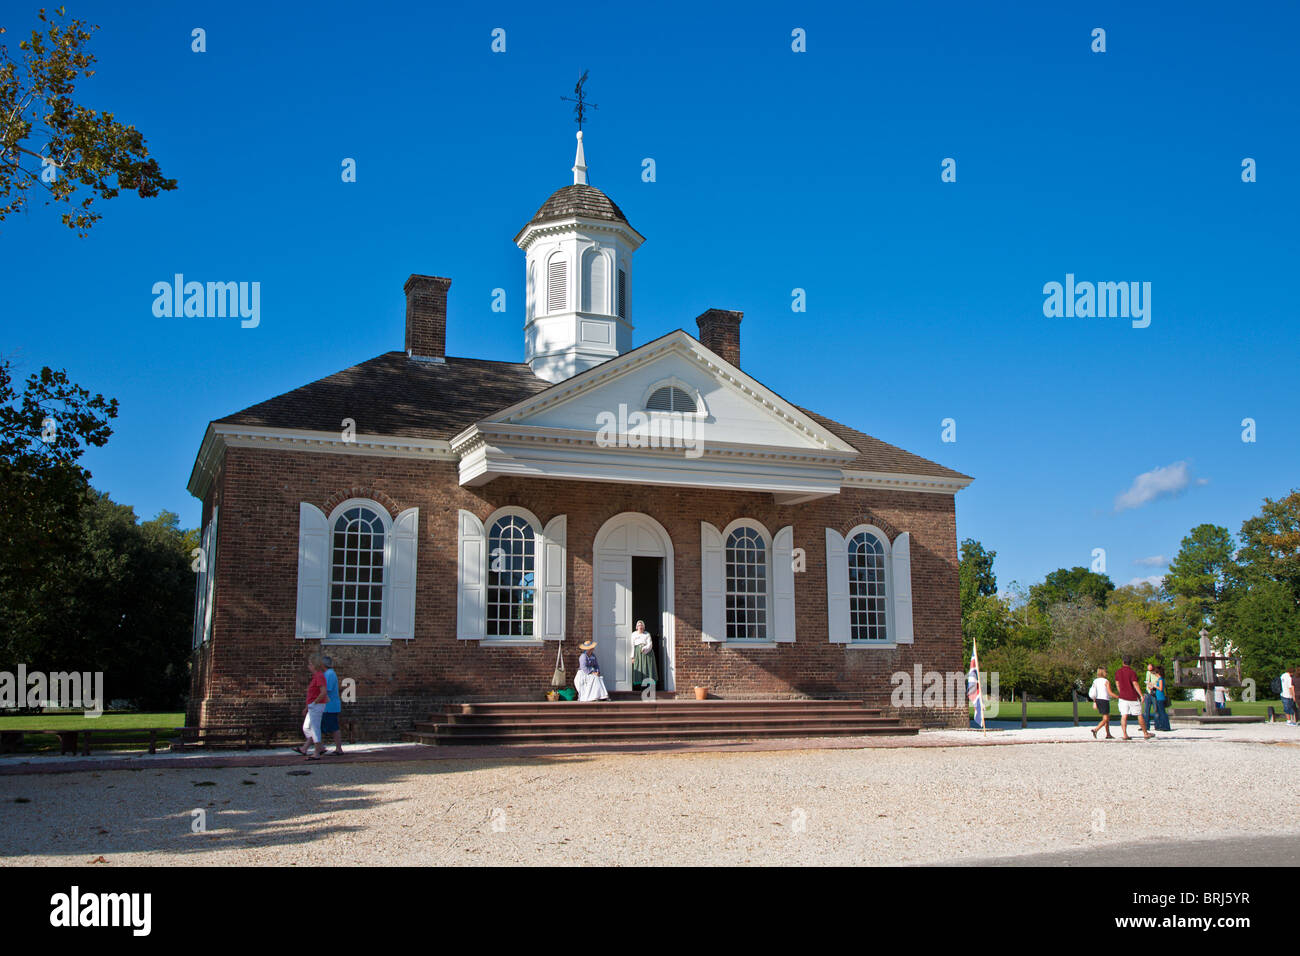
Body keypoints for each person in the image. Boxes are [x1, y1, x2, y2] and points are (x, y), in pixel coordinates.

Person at [295, 655, 328, 758]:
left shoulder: (319, 676)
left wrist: (314, 703)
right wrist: (307, 707)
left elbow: (323, 692)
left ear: (314, 665)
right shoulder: (316, 676)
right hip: (312, 706)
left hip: (317, 706)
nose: (308, 666)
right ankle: (319, 747)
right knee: (306, 727)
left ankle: (317, 752)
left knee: (315, 728)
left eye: (310, 664)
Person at [1114, 655, 1154, 741]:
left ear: (1123, 662)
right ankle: (1145, 733)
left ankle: (1125, 734)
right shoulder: (1132, 672)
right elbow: (1135, 684)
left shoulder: (1118, 672)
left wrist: (1121, 691)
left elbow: (1117, 683)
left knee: (1124, 715)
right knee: (1139, 714)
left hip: (1123, 697)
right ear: (1130, 663)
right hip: (1132, 696)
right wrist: (1141, 695)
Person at [321, 655, 343, 755]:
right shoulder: (329, 674)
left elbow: (327, 690)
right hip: (330, 705)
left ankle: (338, 748)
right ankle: (321, 746)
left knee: (333, 727)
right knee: (329, 727)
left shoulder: (329, 674)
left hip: (330, 706)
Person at [1087, 667, 1114, 739]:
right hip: (1104, 700)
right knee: (1106, 718)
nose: (1106, 673)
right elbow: (1110, 692)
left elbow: (1093, 692)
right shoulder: (1106, 681)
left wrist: (1094, 701)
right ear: (1102, 672)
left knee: (1106, 717)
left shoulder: (1095, 681)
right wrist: (1118, 696)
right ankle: (1096, 729)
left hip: (1098, 700)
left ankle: (1108, 734)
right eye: (1105, 672)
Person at [630, 620, 658, 692]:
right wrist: (632, 657)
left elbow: (650, 644)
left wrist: (644, 648)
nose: (640, 627)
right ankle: (639, 687)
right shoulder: (633, 634)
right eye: (639, 625)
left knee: (647, 668)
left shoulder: (647, 634)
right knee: (639, 668)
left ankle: (648, 686)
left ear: (644, 627)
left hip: (647, 653)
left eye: (641, 625)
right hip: (637, 653)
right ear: (636, 627)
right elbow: (632, 646)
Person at [1152, 665, 1171, 732]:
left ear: (1158, 673)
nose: (1155, 675)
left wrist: (1154, 686)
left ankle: (1165, 726)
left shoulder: (1160, 679)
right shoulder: (1160, 679)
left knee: (1162, 712)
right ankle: (1163, 725)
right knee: (1160, 712)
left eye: (1155, 673)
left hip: (1160, 697)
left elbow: (1160, 688)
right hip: (1158, 697)